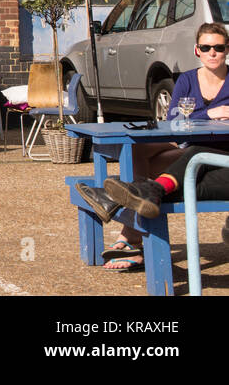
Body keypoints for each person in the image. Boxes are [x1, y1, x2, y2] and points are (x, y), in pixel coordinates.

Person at [75, 21, 229, 272]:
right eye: (206, 47)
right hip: (189, 146)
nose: (212, 53)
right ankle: (134, 223)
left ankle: (129, 232)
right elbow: (175, 118)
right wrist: (209, 113)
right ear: (196, 50)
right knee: (138, 150)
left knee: (189, 156)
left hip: (220, 154)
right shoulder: (188, 79)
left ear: (226, 50)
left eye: (218, 48)